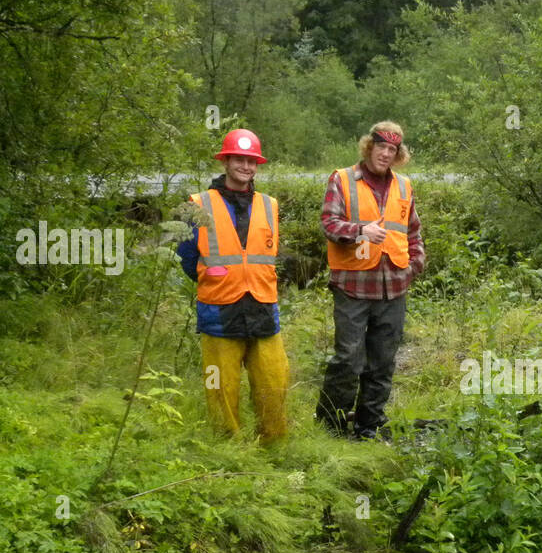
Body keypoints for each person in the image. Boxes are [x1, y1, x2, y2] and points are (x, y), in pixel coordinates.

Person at [176, 128, 288, 443]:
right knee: (219, 384)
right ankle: (226, 448)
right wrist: (210, 278)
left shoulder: (270, 205)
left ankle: (275, 445)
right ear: (226, 161)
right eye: (239, 159)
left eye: (252, 161)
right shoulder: (198, 204)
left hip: (262, 306)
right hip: (219, 309)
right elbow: (186, 257)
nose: (246, 167)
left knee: (274, 379)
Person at [315, 120, 425, 440]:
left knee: (383, 361)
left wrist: (414, 265)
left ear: (398, 154)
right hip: (353, 285)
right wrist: (360, 230)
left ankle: (368, 425)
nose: (386, 154)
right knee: (348, 358)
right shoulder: (343, 179)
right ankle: (331, 427)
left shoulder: (404, 186)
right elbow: (328, 224)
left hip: (394, 285)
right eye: (382, 147)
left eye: (393, 150)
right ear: (369, 146)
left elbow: (414, 232)